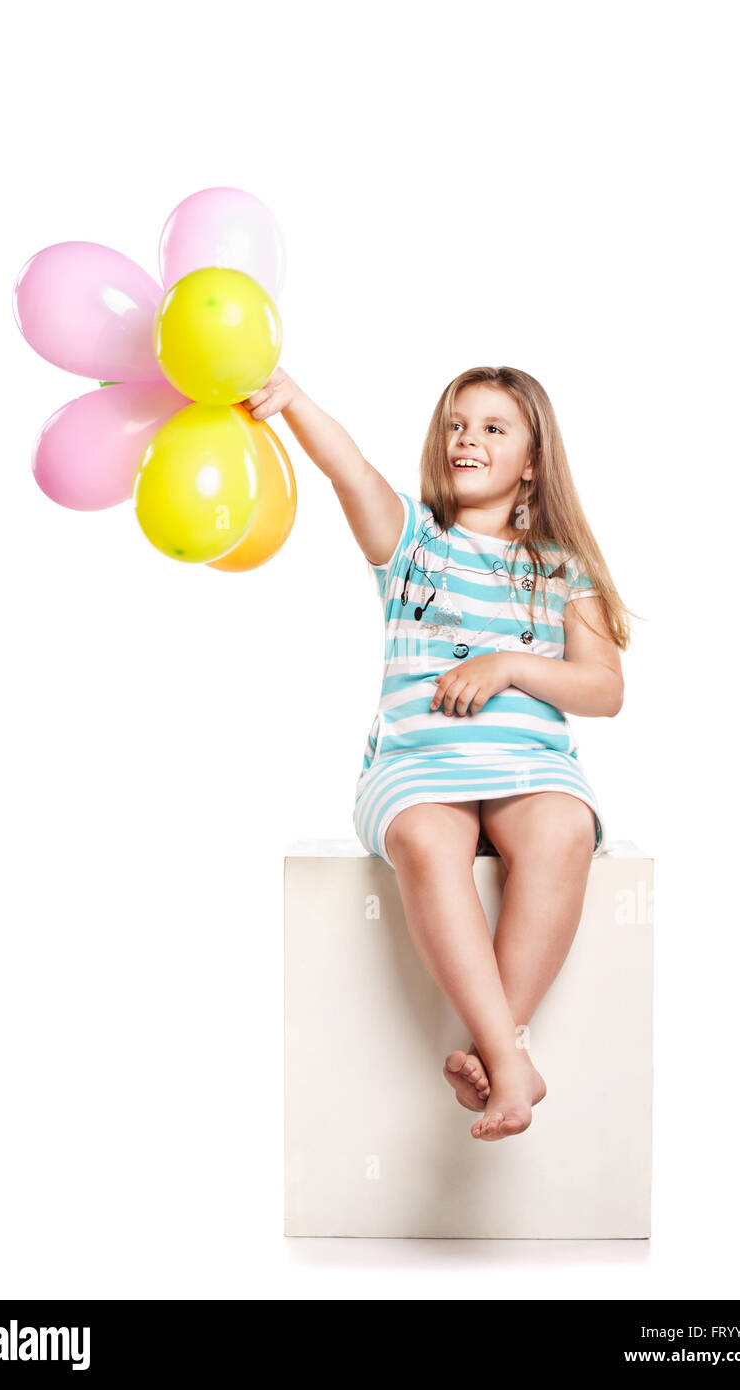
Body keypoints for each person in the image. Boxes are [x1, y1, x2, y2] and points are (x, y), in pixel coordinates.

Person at [242, 364, 632, 1142]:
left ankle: (497, 1052)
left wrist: (510, 665)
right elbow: (347, 468)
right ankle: (508, 1058)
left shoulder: (559, 567)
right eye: (457, 423)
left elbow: (604, 688)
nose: (468, 439)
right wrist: (293, 402)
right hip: (421, 766)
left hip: (529, 762)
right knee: (426, 838)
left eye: (494, 428)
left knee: (560, 830)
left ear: (532, 462)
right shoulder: (412, 543)